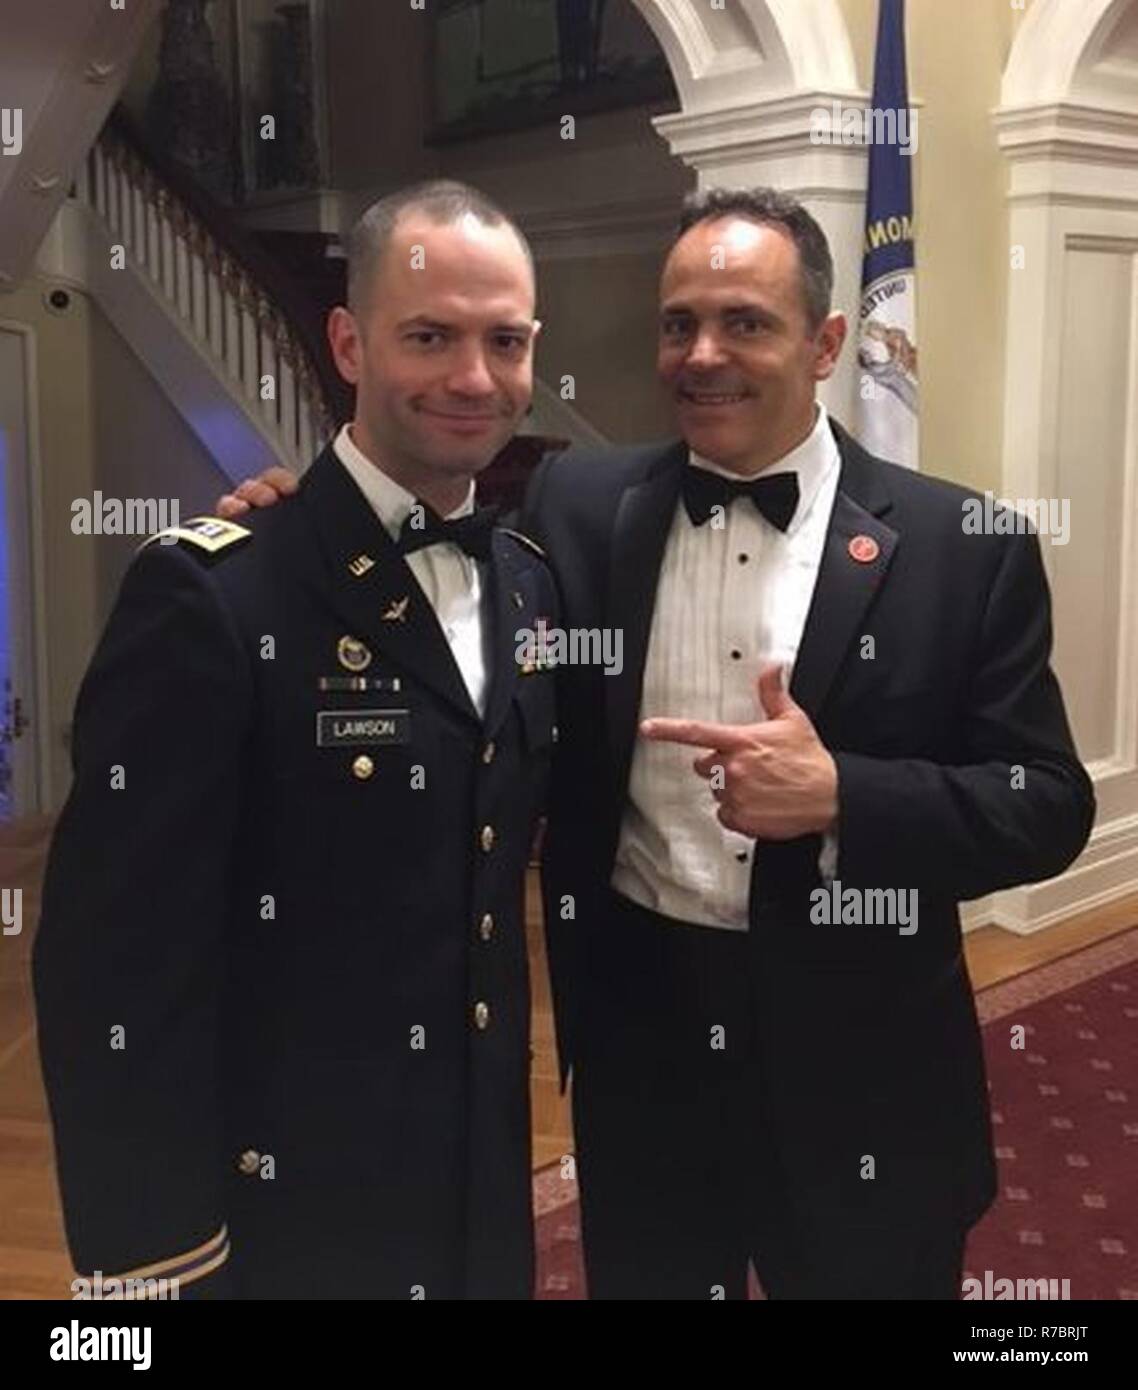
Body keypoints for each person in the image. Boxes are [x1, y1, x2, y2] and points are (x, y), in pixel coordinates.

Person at [221, 186, 1096, 1301]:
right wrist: (296, 517)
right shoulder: (582, 500)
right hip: (642, 1044)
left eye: (745, 322)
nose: (701, 353)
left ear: (826, 343)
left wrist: (845, 797)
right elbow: (432, 562)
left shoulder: (961, 548)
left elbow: (1046, 802)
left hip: (861, 1065)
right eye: (678, 322)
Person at [33, 180, 558, 1300]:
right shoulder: (214, 595)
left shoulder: (526, 583)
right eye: (429, 336)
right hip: (287, 1211)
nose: (474, 377)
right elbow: (113, 963)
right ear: (347, 342)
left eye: (503, 341)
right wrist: (156, 1262)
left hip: (474, 1190)